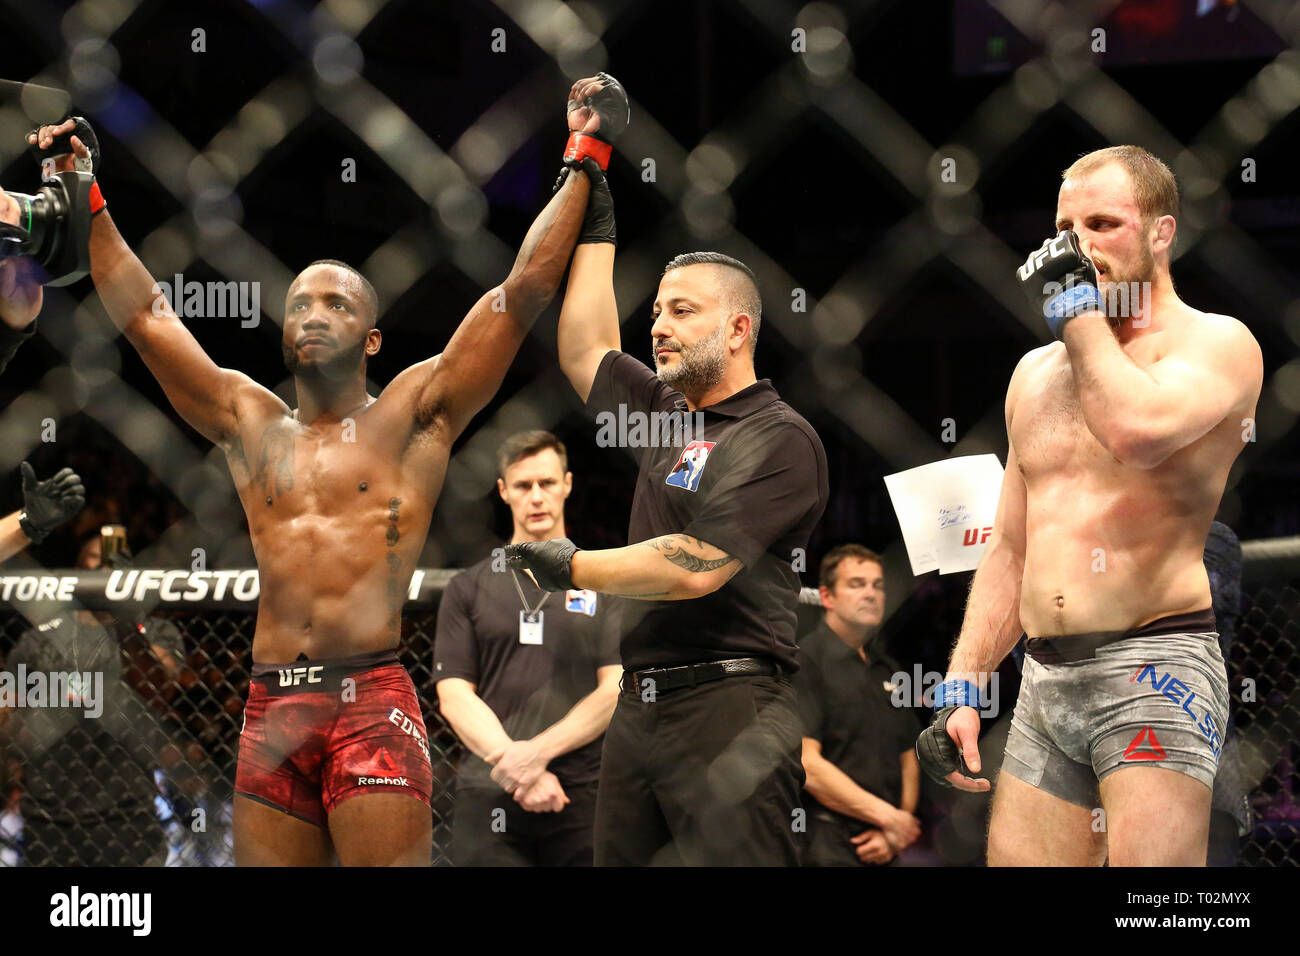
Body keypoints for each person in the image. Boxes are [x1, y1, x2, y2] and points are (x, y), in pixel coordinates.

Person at [26, 73, 624, 864]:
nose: (312, 313)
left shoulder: (417, 410)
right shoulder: (247, 418)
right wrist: (87, 193)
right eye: (301, 303)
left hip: (370, 700)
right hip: (270, 703)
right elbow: (143, 317)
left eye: (337, 305)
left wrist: (588, 150)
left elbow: (520, 293)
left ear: (373, 339)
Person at [506, 78, 829, 865]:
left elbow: (695, 568)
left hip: (732, 707)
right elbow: (585, 345)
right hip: (638, 708)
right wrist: (591, 181)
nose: (659, 327)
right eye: (655, 312)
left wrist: (572, 564)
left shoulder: (778, 437)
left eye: (682, 311)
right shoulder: (665, 415)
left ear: (739, 327)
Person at [916, 145, 1263, 866]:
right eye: (1067, 230)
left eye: (1104, 224)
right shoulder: (1033, 374)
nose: (1079, 248)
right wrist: (963, 685)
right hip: (1044, 678)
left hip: (1155, 664)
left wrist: (1074, 311)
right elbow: (1011, 545)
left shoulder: (1217, 344)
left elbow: (1137, 433)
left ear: (1162, 233)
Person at [435, 430, 620, 865]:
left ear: (567, 485)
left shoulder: (603, 582)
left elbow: (614, 689)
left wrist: (537, 755)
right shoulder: (468, 586)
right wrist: (518, 769)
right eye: (523, 486)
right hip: (489, 790)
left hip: (581, 791)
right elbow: (454, 694)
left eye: (547, 483)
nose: (536, 497)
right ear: (502, 491)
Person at [0, 529, 189, 865]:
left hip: (130, 812)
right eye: (97, 557)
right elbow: (7, 714)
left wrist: (125, 618)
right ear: (77, 569)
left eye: (117, 558)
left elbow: (161, 688)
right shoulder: (40, 636)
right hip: (49, 813)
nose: (108, 565)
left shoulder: (153, 631)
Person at [795, 544, 921, 866]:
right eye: (856, 584)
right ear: (827, 597)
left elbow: (909, 759)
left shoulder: (889, 669)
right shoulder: (804, 661)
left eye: (877, 585)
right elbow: (808, 765)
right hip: (823, 841)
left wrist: (895, 832)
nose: (871, 594)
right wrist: (892, 820)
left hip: (887, 842)